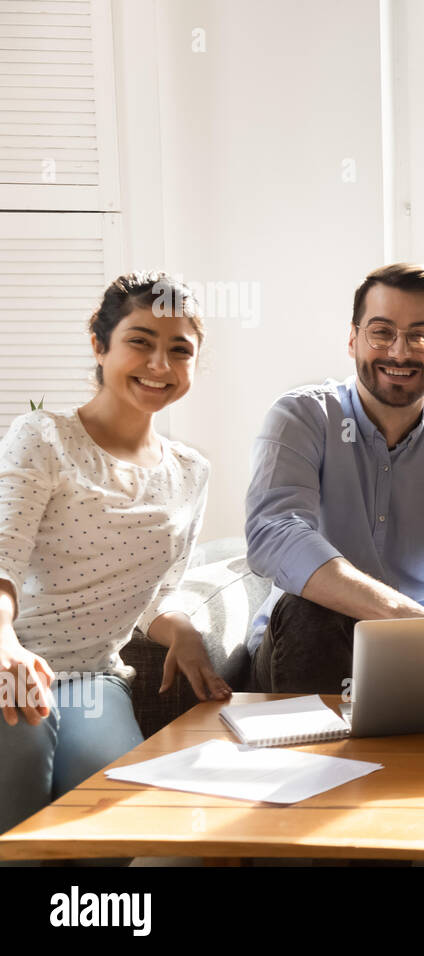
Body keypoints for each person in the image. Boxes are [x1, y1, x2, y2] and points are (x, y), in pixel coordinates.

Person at [0, 272, 230, 836]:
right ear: (100, 346)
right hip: (10, 657)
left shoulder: (190, 473)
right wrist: (5, 646)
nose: (160, 364)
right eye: (140, 341)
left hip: (92, 676)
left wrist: (182, 632)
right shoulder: (43, 437)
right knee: (20, 755)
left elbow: (157, 595)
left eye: (180, 350)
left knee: (114, 806)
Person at [245, 263, 424, 694]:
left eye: (420, 335)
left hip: (419, 660)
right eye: (381, 332)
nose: (399, 353)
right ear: (353, 339)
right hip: (300, 647)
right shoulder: (302, 418)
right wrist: (406, 618)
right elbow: (275, 532)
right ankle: (311, 761)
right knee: (312, 610)